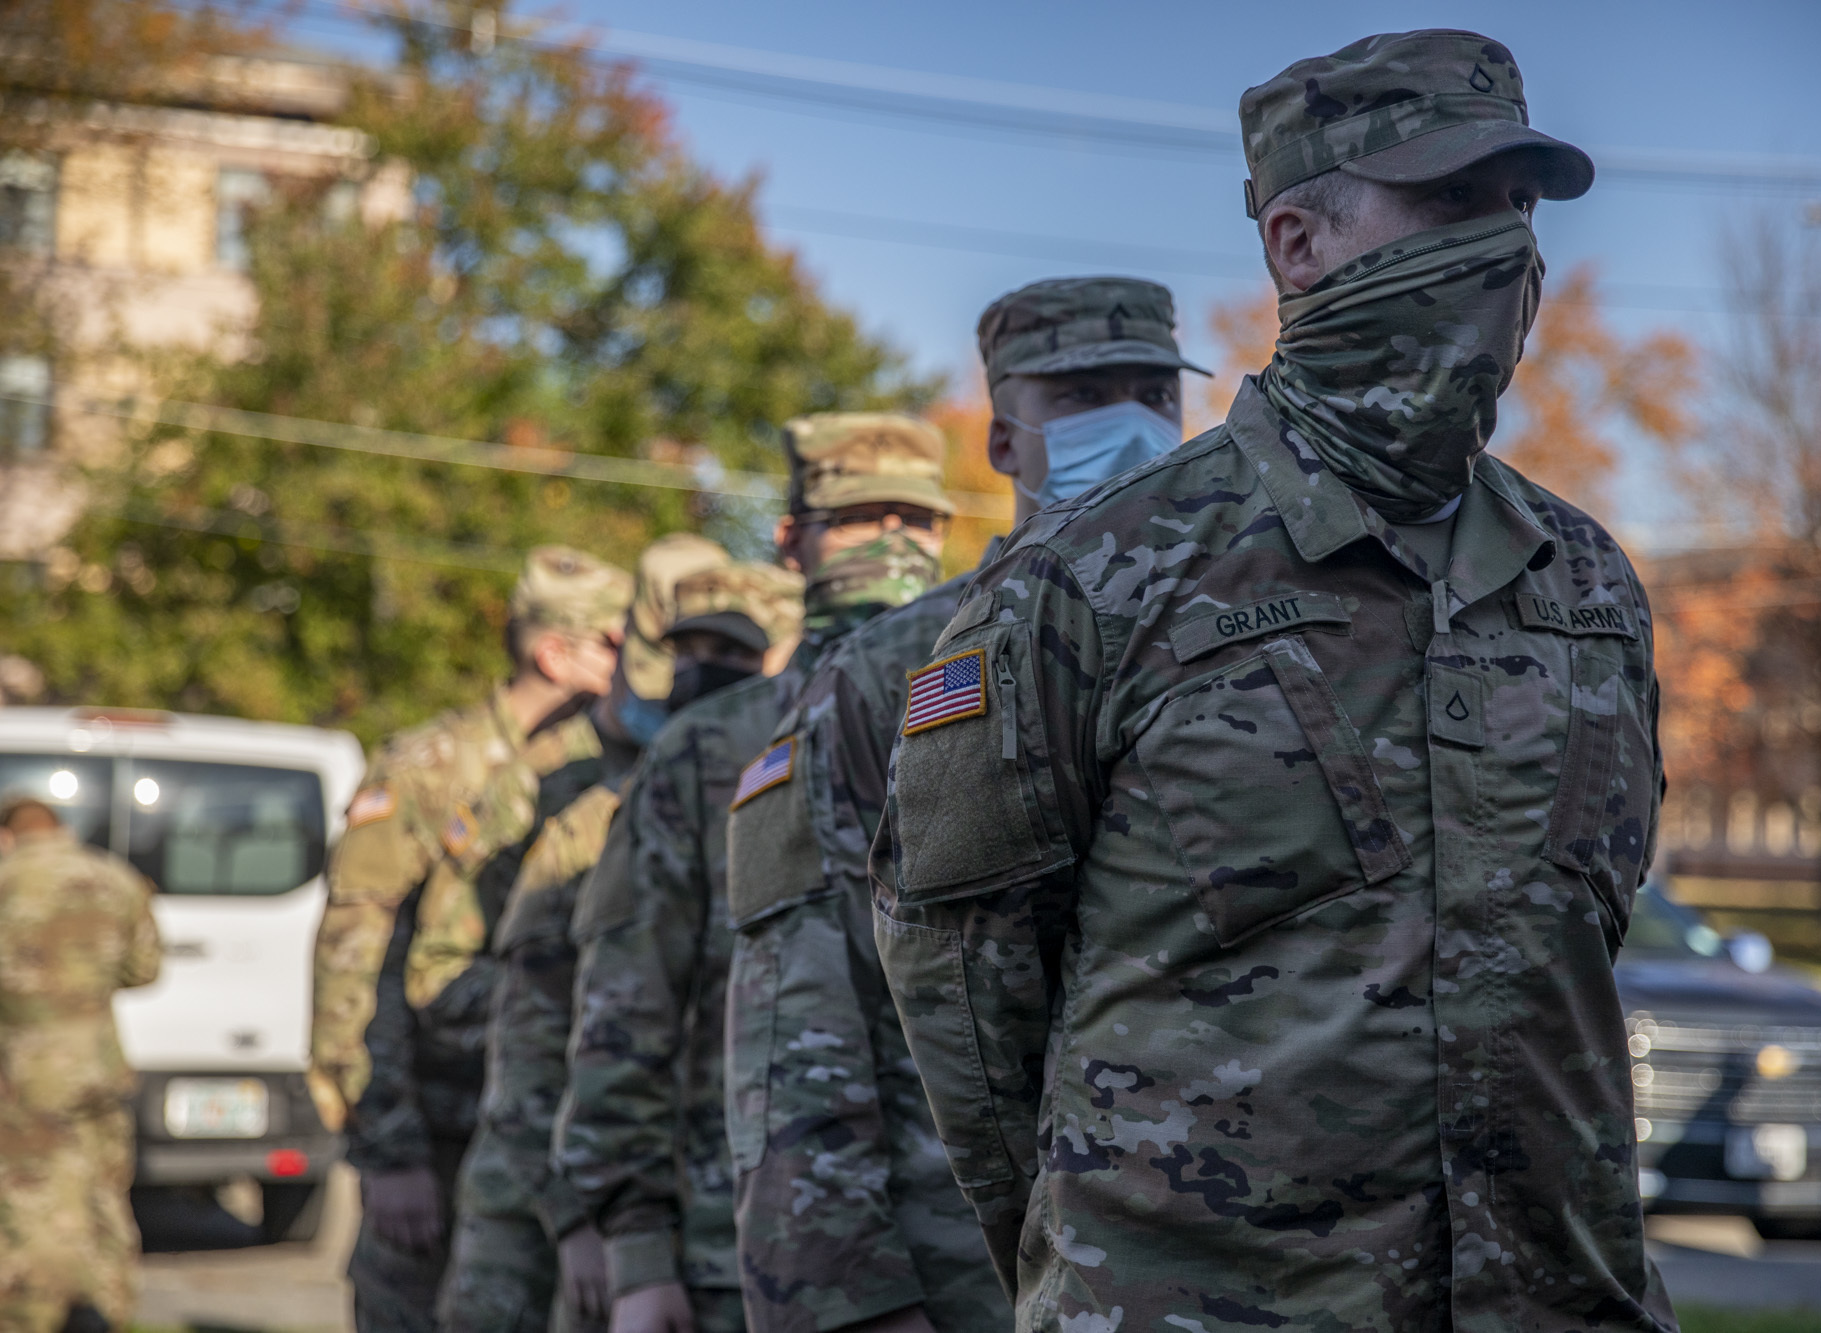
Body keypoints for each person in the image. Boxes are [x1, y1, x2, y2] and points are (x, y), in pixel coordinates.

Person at [874, 29, 1676, 1331]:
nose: (1505, 250)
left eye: (1519, 207)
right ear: (1299, 246)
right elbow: (960, 986)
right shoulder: (1089, 583)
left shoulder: (1585, 584)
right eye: (1451, 203)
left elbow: (1573, 948)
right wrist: (1109, 1242)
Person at [722, 276, 1204, 1333]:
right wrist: (840, 1303)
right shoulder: (892, 669)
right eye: (1080, 393)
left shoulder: (1244, 642)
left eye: (1149, 391)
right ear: (999, 439)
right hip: (959, 1280)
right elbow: (796, 1015)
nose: (1125, 421)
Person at [555, 413, 954, 1333]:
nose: (893, 545)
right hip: (745, 1248)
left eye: (916, 520)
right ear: (792, 545)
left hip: (982, 1251)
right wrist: (635, 1246)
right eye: (858, 520)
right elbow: (628, 997)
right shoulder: (711, 746)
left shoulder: (1004, 699)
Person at [314, 544, 633, 1333]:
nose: (632, 665)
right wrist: (391, 1151)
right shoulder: (428, 764)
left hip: (548, 1137)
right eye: (613, 644)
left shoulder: (608, 770)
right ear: (553, 652)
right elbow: (357, 958)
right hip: (439, 1125)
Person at [439, 535, 733, 1333]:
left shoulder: (747, 795)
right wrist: (577, 1217)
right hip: (548, 1198)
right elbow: (529, 1044)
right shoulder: (584, 823)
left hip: (681, 1209)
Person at [0, 793, 162, 1332]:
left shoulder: (6, 879)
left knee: (31, 1205)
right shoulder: (115, 878)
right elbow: (144, 970)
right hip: (100, 1068)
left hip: (23, 1074)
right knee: (102, 1196)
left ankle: (34, 1315)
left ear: (8, 835)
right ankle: (108, 1307)